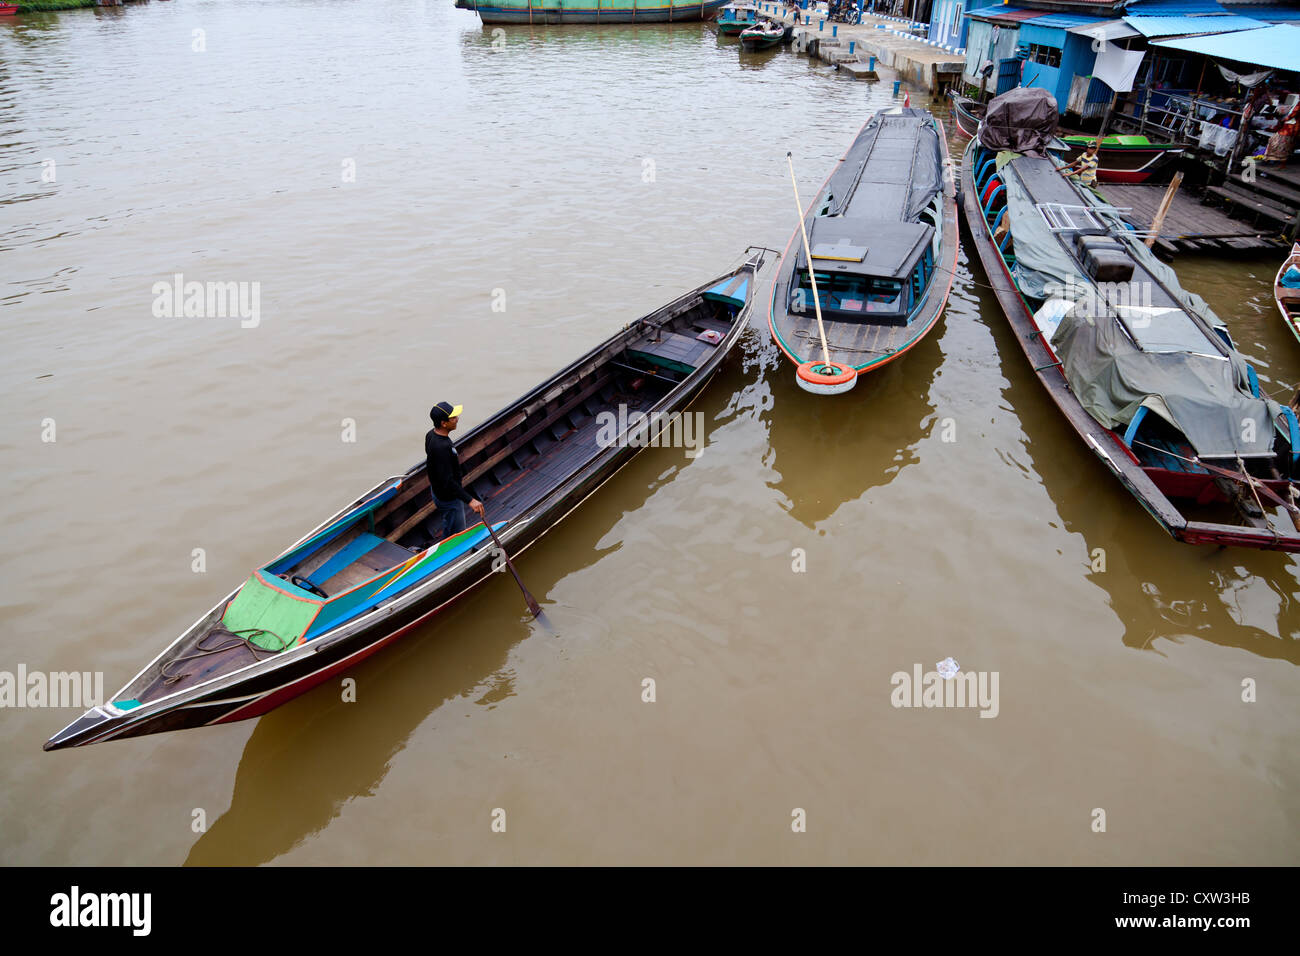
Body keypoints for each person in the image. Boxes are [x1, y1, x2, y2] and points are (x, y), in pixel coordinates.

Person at [425, 401, 484, 540]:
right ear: (443, 423)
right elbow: (448, 481)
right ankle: (451, 557)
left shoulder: (430, 435)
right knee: (456, 534)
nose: (457, 419)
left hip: (437, 490)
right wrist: (470, 500)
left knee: (449, 522)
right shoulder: (442, 447)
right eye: (453, 418)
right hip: (449, 498)